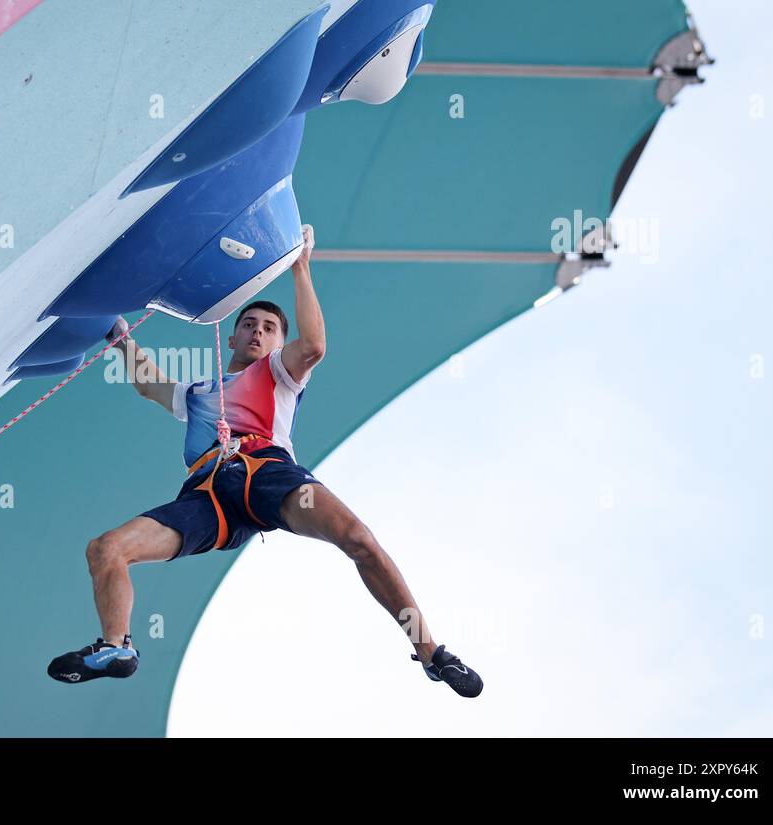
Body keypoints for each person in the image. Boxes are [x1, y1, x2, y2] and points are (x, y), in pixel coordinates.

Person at [47, 225, 482, 697]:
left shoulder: (279, 373)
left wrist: (300, 265)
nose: (258, 330)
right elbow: (147, 383)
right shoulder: (198, 393)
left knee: (359, 540)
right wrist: (118, 334)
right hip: (207, 498)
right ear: (231, 338)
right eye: (250, 324)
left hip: (268, 474)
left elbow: (314, 346)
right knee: (105, 549)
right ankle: (117, 647)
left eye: (269, 328)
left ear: (278, 345)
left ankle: (430, 652)